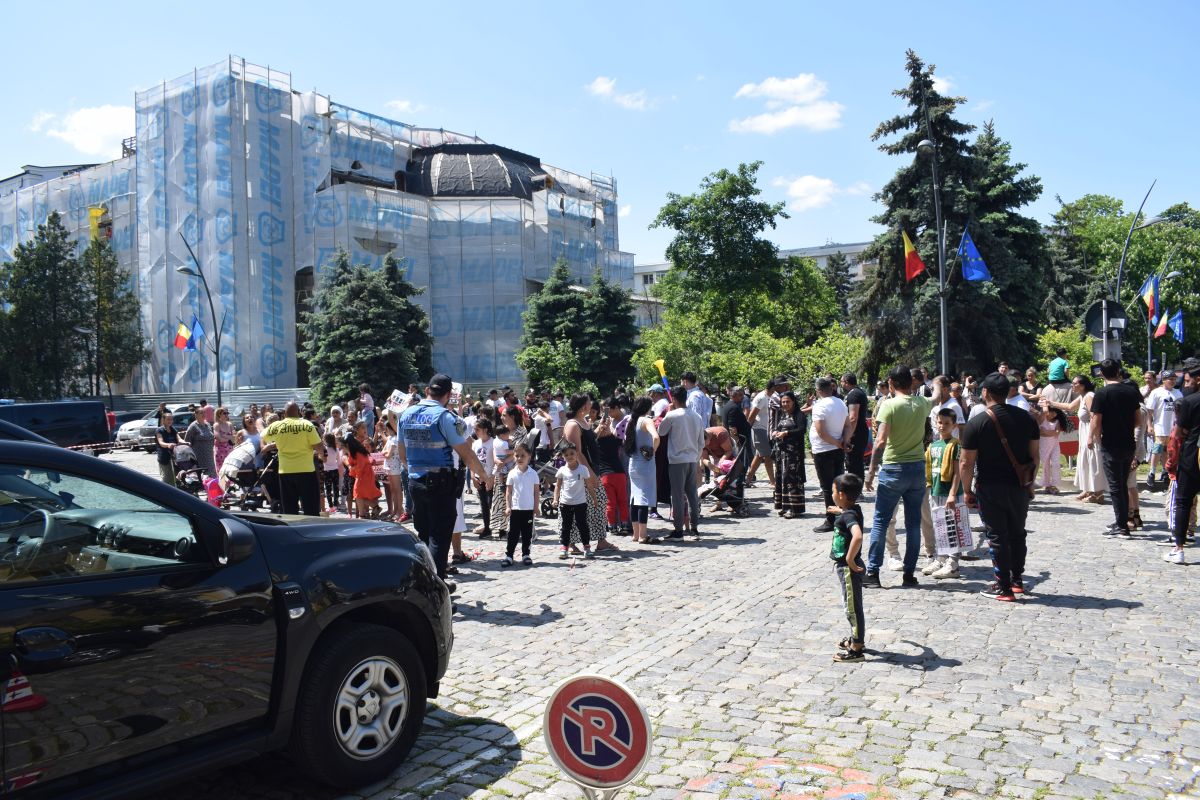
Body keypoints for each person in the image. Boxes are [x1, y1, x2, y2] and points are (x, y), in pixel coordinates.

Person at [396, 374, 492, 584]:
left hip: (415, 483)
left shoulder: (406, 415)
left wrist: (415, 472)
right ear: (448, 395)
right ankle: (436, 587)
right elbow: (466, 454)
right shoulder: (445, 417)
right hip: (440, 484)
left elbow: (402, 455)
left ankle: (422, 583)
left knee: (423, 534)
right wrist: (484, 475)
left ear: (427, 391)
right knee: (439, 537)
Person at [959, 372, 1040, 601]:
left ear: (985, 392)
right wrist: (1030, 483)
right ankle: (1017, 581)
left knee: (997, 535)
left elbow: (966, 462)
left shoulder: (977, 422)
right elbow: (1035, 456)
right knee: (1017, 533)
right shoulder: (1027, 419)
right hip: (1019, 486)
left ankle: (1003, 586)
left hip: (990, 486)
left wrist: (966, 490)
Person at [864, 366, 933, 588]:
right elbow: (939, 395)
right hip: (917, 469)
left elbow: (881, 441)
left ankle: (873, 573)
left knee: (880, 521)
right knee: (913, 524)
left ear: (891, 383)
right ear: (911, 383)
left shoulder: (889, 405)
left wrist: (871, 471)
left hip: (893, 468)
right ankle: (909, 574)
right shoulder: (922, 403)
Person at [1089, 359, 1145, 537]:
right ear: (1118, 371)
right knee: (1122, 483)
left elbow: (1096, 421)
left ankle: (1122, 526)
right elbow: (1138, 420)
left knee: (1116, 487)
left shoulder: (1102, 393)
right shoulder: (1131, 392)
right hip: (1128, 443)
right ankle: (1122, 521)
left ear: (1101, 373)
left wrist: (1092, 438)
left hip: (1110, 444)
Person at [562, 394, 617, 552]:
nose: (591, 404)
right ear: (583, 406)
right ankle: (571, 542)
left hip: (591, 469)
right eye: (588, 402)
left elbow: (590, 441)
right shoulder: (573, 424)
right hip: (581, 473)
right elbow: (577, 453)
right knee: (578, 506)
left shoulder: (583, 421)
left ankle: (601, 540)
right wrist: (589, 473)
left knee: (597, 504)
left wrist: (600, 429)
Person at [827, 473, 866, 663]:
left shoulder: (849, 515)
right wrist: (840, 511)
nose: (832, 494)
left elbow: (857, 535)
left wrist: (850, 559)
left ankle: (857, 647)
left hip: (848, 568)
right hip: (847, 567)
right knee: (852, 605)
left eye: (833, 491)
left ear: (841, 494)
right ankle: (855, 638)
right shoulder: (853, 509)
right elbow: (849, 514)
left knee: (852, 608)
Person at [658, 385, 706, 538]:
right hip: (692, 458)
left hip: (677, 460)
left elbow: (661, 431)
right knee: (692, 494)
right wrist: (696, 457)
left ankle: (678, 529)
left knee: (677, 495)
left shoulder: (672, 415)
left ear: (674, 399)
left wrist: (669, 412)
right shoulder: (696, 416)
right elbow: (701, 442)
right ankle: (694, 527)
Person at [1164, 361, 1200, 565]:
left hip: (1192, 455)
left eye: (1188, 381)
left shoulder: (1189, 401)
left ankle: (1178, 548)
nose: (1186, 385)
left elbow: (1178, 432)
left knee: (1183, 501)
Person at [925, 408, 965, 579]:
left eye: (947, 423)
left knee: (952, 527)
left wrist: (952, 494)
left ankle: (953, 563)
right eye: (940, 422)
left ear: (954, 425)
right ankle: (940, 558)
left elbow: (957, 472)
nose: (942, 426)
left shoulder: (956, 445)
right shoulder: (933, 445)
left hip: (950, 493)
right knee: (938, 526)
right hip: (935, 491)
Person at [262, 402, 323, 516]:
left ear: (284, 413)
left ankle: (292, 527)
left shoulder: (277, 426)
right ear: (299, 412)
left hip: (285, 471)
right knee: (311, 507)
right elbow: (318, 445)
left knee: (289, 509)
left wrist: (274, 444)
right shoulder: (307, 425)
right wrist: (322, 456)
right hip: (306, 470)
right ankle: (312, 526)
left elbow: (263, 437)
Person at [1050, 375, 1103, 502]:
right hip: (1084, 432)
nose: (1072, 385)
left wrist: (1091, 437)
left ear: (1083, 385)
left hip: (1090, 432)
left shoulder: (1089, 396)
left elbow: (1095, 417)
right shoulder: (1082, 396)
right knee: (1085, 461)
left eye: (1075, 383)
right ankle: (1088, 489)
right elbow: (1069, 407)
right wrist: (1050, 403)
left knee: (1093, 461)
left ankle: (1098, 493)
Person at [810, 377, 848, 533]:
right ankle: (840, 516)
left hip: (823, 450)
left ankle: (831, 519)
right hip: (836, 449)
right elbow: (848, 425)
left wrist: (838, 443)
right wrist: (844, 441)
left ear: (818, 391)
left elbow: (821, 432)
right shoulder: (841, 403)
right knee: (837, 485)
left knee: (827, 487)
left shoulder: (819, 405)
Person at [624, 396, 661, 544]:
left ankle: (635, 534)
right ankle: (643, 535)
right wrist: (653, 451)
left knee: (635, 498)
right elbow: (656, 437)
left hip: (633, 463)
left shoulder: (631, 421)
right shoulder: (646, 420)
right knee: (643, 500)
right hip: (645, 464)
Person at [770, 389, 807, 519]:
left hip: (793, 454)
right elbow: (779, 428)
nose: (785, 404)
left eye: (788, 402)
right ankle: (784, 506)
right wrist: (776, 432)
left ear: (793, 402)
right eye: (783, 402)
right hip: (782, 453)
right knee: (782, 478)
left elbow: (801, 430)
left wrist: (786, 433)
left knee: (792, 478)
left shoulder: (799, 415)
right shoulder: (782, 414)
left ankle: (794, 508)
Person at [502, 443, 540, 566]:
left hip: (528, 509)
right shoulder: (512, 473)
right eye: (517, 455)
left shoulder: (533, 474)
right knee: (512, 533)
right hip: (515, 509)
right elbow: (508, 492)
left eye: (523, 455)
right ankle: (509, 555)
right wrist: (508, 506)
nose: (519, 458)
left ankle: (526, 554)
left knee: (527, 534)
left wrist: (536, 507)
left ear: (529, 456)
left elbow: (536, 492)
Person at [595, 401, 630, 536]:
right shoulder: (615, 439)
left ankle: (612, 526)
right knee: (623, 501)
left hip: (606, 476)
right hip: (620, 473)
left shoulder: (596, 443)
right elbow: (619, 438)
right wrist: (610, 429)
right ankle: (625, 525)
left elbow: (592, 437)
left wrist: (599, 428)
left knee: (610, 503)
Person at [554, 443, 593, 559]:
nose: (569, 456)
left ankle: (587, 547)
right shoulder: (562, 470)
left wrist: (594, 499)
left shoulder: (583, 469)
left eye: (572, 453)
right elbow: (558, 486)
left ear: (576, 454)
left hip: (580, 503)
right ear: (563, 457)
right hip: (565, 503)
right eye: (566, 455)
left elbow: (589, 485)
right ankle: (564, 548)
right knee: (566, 527)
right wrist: (555, 499)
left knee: (583, 526)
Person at [1146, 370, 1182, 489]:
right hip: (1160, 425)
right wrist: (1149, 425)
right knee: (1158, 447)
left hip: (1173, 426)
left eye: (1174, 379)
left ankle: (1166, 471)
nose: (1173, 381)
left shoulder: (1178, 393)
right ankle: (1152, 472)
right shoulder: (1156, 392)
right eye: (1170, 379)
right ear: (1163, 380)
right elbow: (1149, 411)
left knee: (1168, 449)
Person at [342, 433, 380, 519]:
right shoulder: (354, 451)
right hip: (362, 475)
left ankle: (364, 514)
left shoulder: (357, 452)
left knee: (358, 494)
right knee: (359, 495)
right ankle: (371, 509)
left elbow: (360, 466)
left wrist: (351, 467)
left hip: (364, 475)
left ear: (347, 444)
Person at [841, 373, 870, 479]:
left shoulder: (854, 394)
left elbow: (853, 417)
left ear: (846, 382)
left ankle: (856, 487)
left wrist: (848, 437)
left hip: (856, 434)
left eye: (841, 382)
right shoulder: (857, 392)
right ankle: (856, 486)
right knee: (855, 463)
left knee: (854, 464)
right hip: (858, 432)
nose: (841, 384)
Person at [472, 419, 496, 538]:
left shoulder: (493, 443)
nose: (475, 431)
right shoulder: (476, 443)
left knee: (491, 503)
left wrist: (491, 478)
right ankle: (487, 527)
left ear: (485, 430)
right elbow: (472, 461)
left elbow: (496, 462)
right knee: (484, 505)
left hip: (491, 478)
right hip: (479, 478)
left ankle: (497, 526)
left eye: (477, 429)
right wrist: (473, 476)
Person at [721, 386, 753, 473]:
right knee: (743, 459)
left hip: (741, 438)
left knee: (744, 458)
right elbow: (732, 427)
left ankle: (747, 475)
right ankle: (743, 477)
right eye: (740, 395)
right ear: (734, 395)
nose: (743, 397)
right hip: (740, 439)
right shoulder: (733, 408)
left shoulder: (729, 405)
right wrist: (737, 443)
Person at [382, 411, 404, 520]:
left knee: (397, 489)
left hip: (395, 466)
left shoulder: (395, 438)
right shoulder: (390, 438)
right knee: (393, 489)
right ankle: (395, 511)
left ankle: (400, 511)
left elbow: (388, 454)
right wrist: (385, 453)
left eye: (386, 429)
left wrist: (385, 453)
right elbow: (384, 451)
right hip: (390, 466)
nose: (386, 431)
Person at [184, 413, 217, 478]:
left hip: (210, 454)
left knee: (212, 472)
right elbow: (187, 440)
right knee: (203, 473)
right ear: (196, 415)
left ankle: (211, 483)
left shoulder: (207, 424)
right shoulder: (193, 426)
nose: (203, 414)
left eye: (204, 412)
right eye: (201, 413)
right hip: (200, 454)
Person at [156, 411, 179, 486]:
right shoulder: (159, 430)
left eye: (171, 419)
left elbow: (179, 439)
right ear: (163, 420)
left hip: (174, 457)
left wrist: (185, 442)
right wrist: (168, 445)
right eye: (168, 419)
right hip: (164, 457)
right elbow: (161, 442)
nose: (170, 421)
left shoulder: (173, 429)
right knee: (166, 479)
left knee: (175, 478)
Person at [320, 432, 342, 511]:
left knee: (328, 489)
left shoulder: (324, 449)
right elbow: (339, 462)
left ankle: (331, 506)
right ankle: (336, 505)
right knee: (336, 488)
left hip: (326, 471)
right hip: (335, 470)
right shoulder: (336, 449)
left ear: (325, 440)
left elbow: (323, 460)